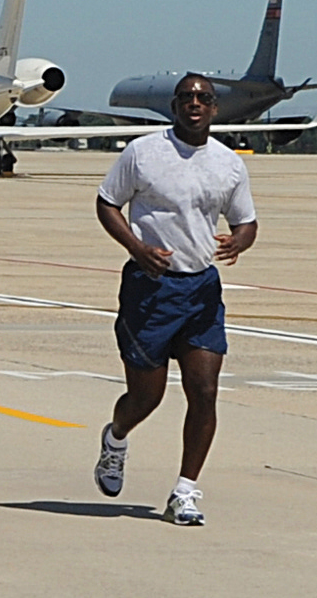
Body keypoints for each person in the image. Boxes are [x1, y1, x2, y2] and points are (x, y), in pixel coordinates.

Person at [92, 74, 257, 526]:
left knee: (204, 392)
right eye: (188, 98)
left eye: (204, 98)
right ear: (175, 105)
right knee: (147, 397)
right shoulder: (144, 152)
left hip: (201, 290)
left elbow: (246, 220)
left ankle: (185, 491)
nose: (196, 104)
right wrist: (137, 248)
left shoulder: (227, 164)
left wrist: (239, 241)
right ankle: (116, 437)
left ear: (215, 108)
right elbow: (108, 203)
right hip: (150, 289)